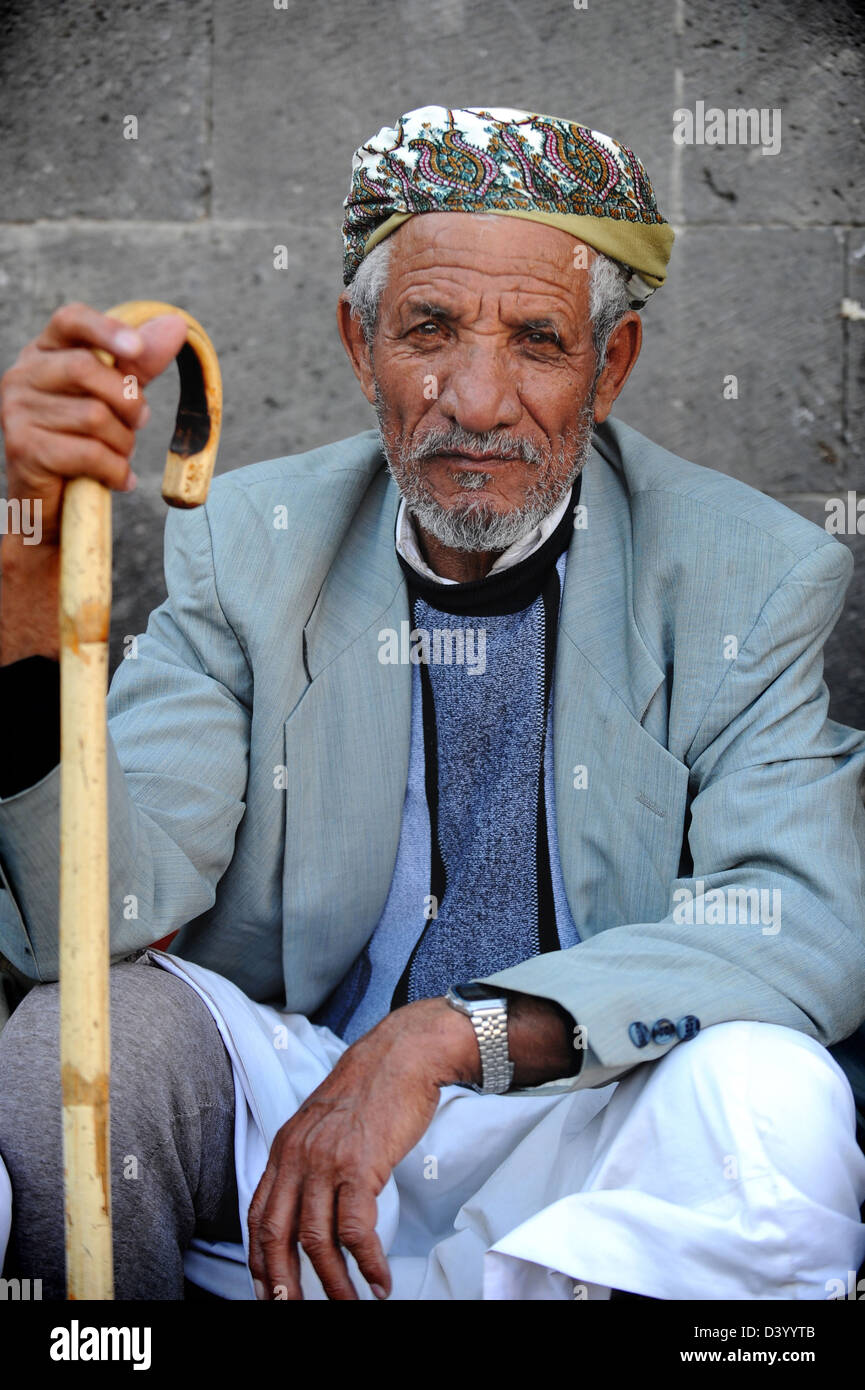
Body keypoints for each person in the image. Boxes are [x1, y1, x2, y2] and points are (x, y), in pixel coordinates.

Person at [1, 105, 864, 1302]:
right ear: (360, 347)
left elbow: (800, 927)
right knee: (73, 1041)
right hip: (295, 1104)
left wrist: (444, 1036)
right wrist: (25, 568)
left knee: (776, 1099)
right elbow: (87, 919)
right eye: (429, 330)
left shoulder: (746, 574)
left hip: (588, 1104)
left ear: (608, 367)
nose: (475, 397)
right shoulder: (254, 549)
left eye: (537, 340)